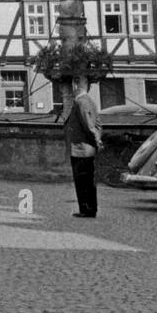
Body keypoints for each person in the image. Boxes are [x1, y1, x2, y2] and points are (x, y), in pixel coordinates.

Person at [63, 84, 102, 217]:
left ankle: (87, 209)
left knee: (83, 181)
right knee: (85, 181)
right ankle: (88, 209)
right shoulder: (83, 101)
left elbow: (90, 126)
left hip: (82, 149)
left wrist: (97, 141)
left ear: (76, 87)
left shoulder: (82, 102)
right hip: (83, 149)